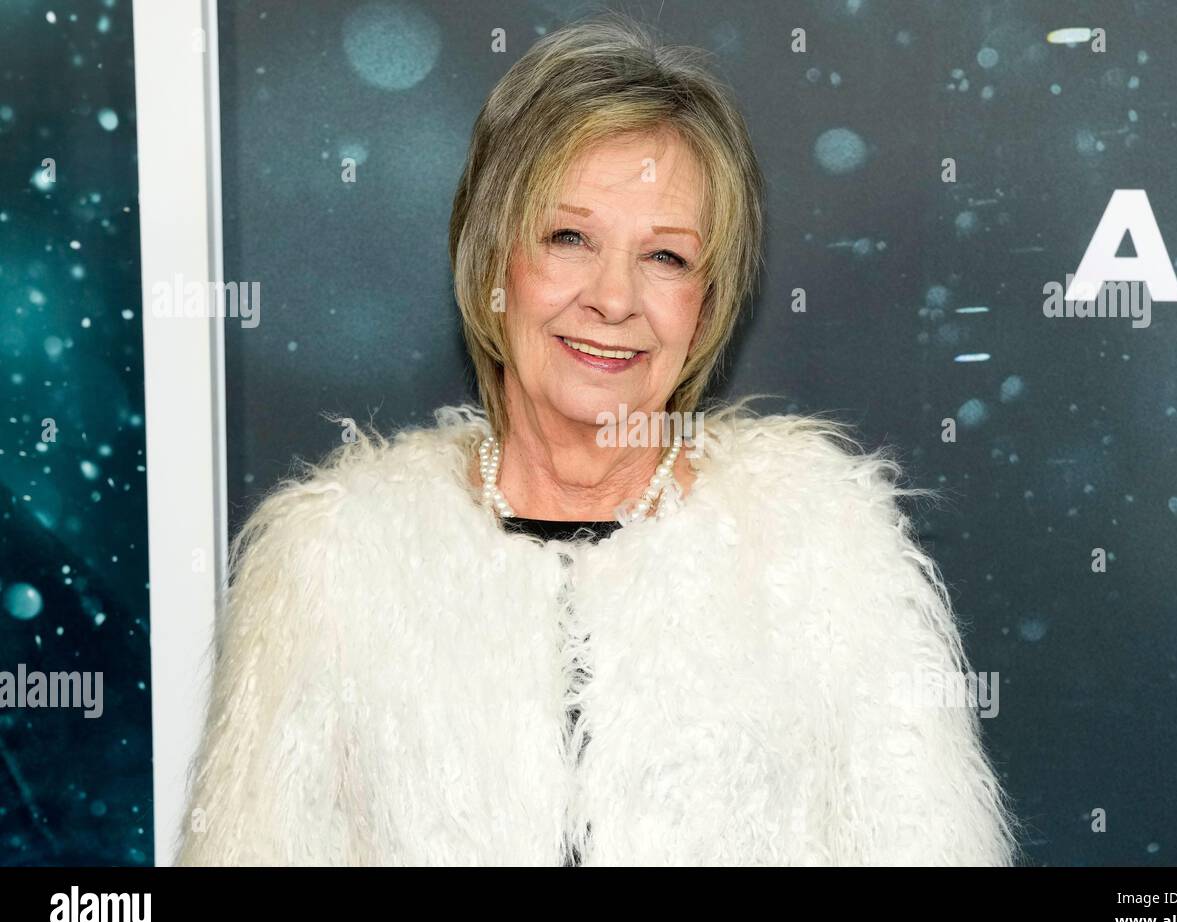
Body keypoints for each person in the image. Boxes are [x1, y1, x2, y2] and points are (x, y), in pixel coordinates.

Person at [176, 13, 1020, 866]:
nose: (614, 299)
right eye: (570, 238)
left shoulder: (826, 552)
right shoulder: (331, 565)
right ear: (493, 259)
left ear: (706, 303)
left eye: (665, 257)